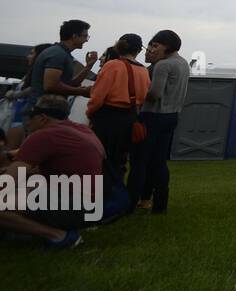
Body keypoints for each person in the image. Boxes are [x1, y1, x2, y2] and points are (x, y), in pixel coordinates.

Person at [0, 95, 105, 249]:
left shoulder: (43, 135)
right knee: (25, 189)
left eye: (31, 117)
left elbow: (7, 182)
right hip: (93, 207)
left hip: (74, 206)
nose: (27, 122)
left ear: (42, 118)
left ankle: (59, 236)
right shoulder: (83, 130)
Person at [130, 29, 188, 213]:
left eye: (156, 45)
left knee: (139, 161)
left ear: (168, 46)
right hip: (172, 116)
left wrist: (134, 96)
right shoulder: (183, 63)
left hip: (153, 115)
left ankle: (131, 202)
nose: (152, 49)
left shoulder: (163, 65)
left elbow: (154, 94)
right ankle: (159, 203)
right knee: (159, 161)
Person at [86, 34, 151, 177]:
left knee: (101, 160)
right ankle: (116, 193)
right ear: (138, 50)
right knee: (119, 162)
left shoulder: (112, 65)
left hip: (107, 119)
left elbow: (97, 97)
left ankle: (101, 194)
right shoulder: (144, 71)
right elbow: (144, 96)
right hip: (130, 118)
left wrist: (90, 114)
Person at [29, 20, 98, 107]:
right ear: (74, 36)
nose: (86, 40)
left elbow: (68, 84)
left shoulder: (62, 54)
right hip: (43, 113)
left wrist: (88, 66)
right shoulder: (57, 54)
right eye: (85, 36)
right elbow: (51, 85)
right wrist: (81, 91)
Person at [4, 42, 52, 150]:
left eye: (32, 53)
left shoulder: (39, 76)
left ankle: (20, 168)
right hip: (15, 118)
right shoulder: (30, 74)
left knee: (14, 154)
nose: (28, 56)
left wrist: (14, 95)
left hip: (21, 120)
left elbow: (33, 89)